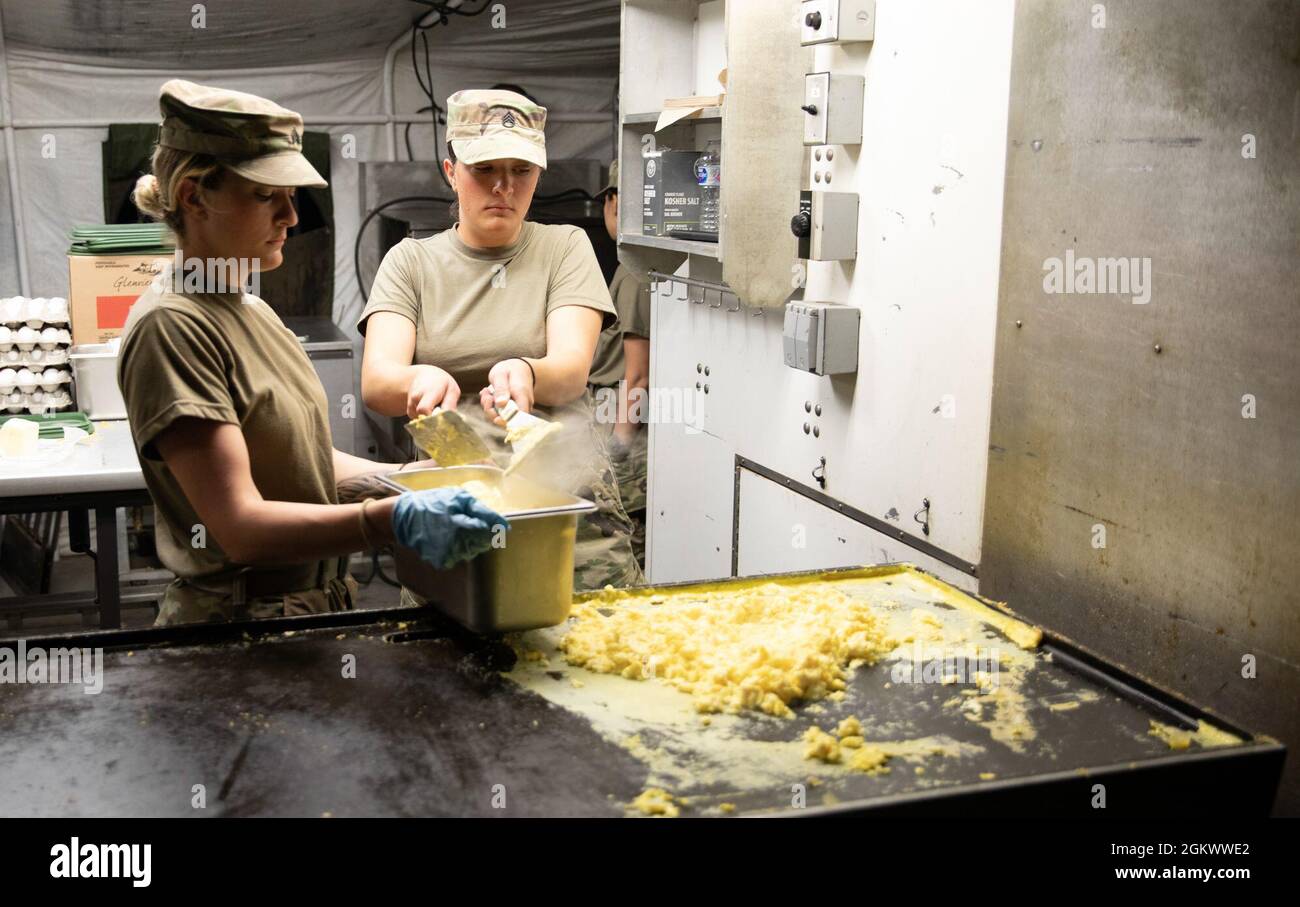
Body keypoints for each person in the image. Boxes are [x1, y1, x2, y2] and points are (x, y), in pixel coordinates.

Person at [118, 79, 506, 626]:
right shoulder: (174, 327)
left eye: (292, 195)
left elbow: (302, 462)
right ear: (193, 196)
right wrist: (387, 521)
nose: (291, 216)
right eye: (264, 195)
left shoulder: (250, 309)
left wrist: (413, 481)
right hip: (242, 626)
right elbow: (240, 528)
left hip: (308, 607)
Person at [359, 89, 643, 598]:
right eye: (485, 169)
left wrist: (529, 373)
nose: (504, 187)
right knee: (447, 658)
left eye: (521, 170)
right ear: (451, 171)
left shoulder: (563, 248)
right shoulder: (410, 263)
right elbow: (379, 383)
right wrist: (416, 377)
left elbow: (571, 370)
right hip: (455, 505)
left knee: (596, 646)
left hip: (564, 503)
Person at [587, 160, 651, 569]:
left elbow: (639, 373)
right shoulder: (634, 267)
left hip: (621, 431)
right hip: (613, 421)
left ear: (615, 203)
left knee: (628, 550)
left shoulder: (633, 273)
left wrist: (619, 447)